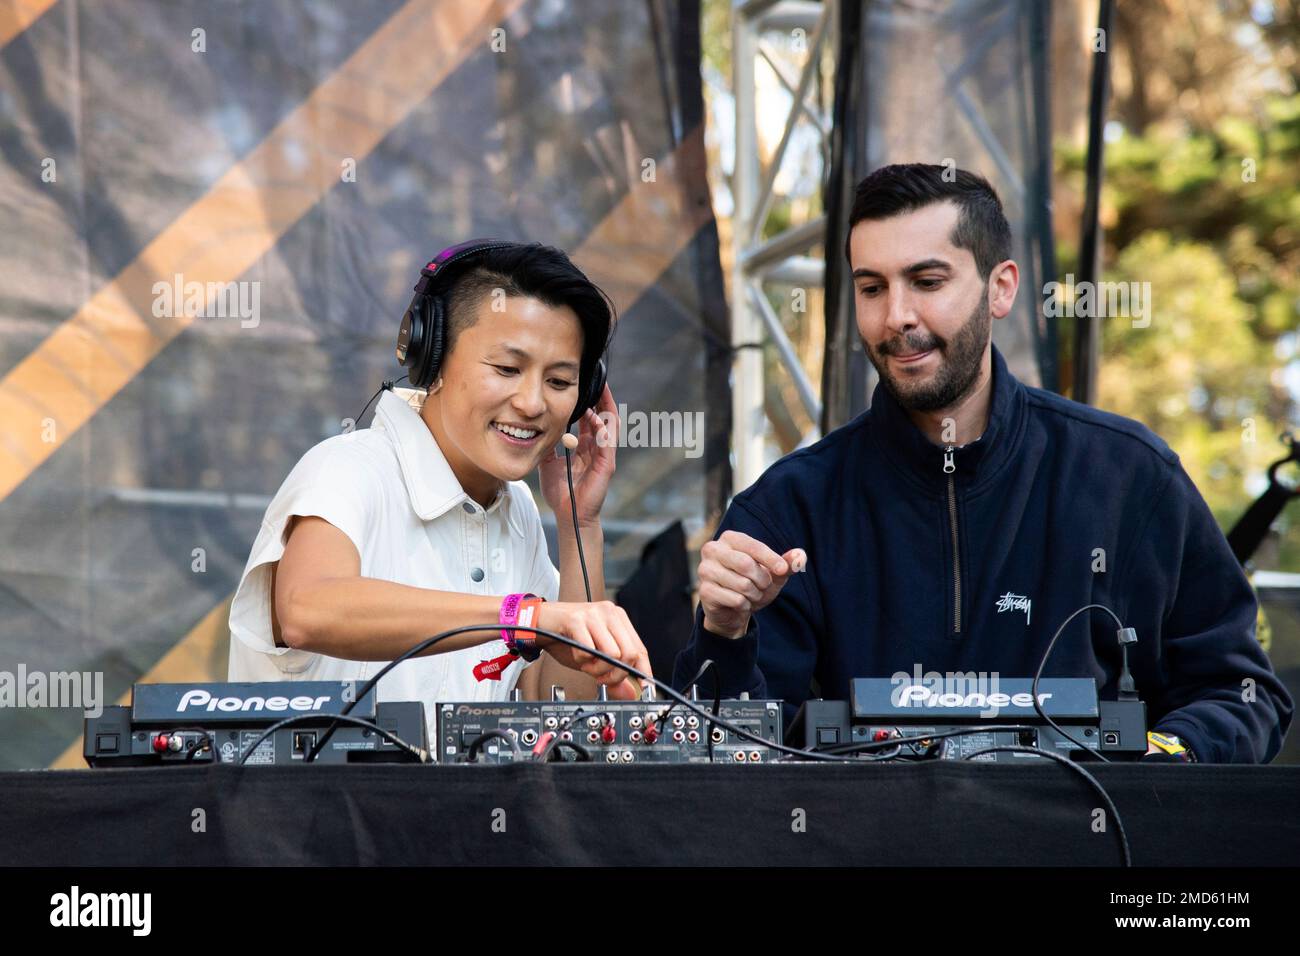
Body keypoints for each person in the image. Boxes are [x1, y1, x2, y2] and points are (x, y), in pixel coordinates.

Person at [674, 163, 1293, 763]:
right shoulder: (788, 508)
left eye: (927, 281)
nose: (897, 317)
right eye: (872, 288)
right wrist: (724, 634)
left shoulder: (1130, 476)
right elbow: (722, 756)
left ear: (1001, 288)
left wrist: (1160, 767)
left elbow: (1240, 694)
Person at [229, 241, 651, 745]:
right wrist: (523, 616)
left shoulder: (516, 512)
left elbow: (562, 710)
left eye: (560, 380)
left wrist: (579, 525)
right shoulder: (346, 468)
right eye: (507, 369)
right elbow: (307, 608)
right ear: (432, 359)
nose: (533, 402)